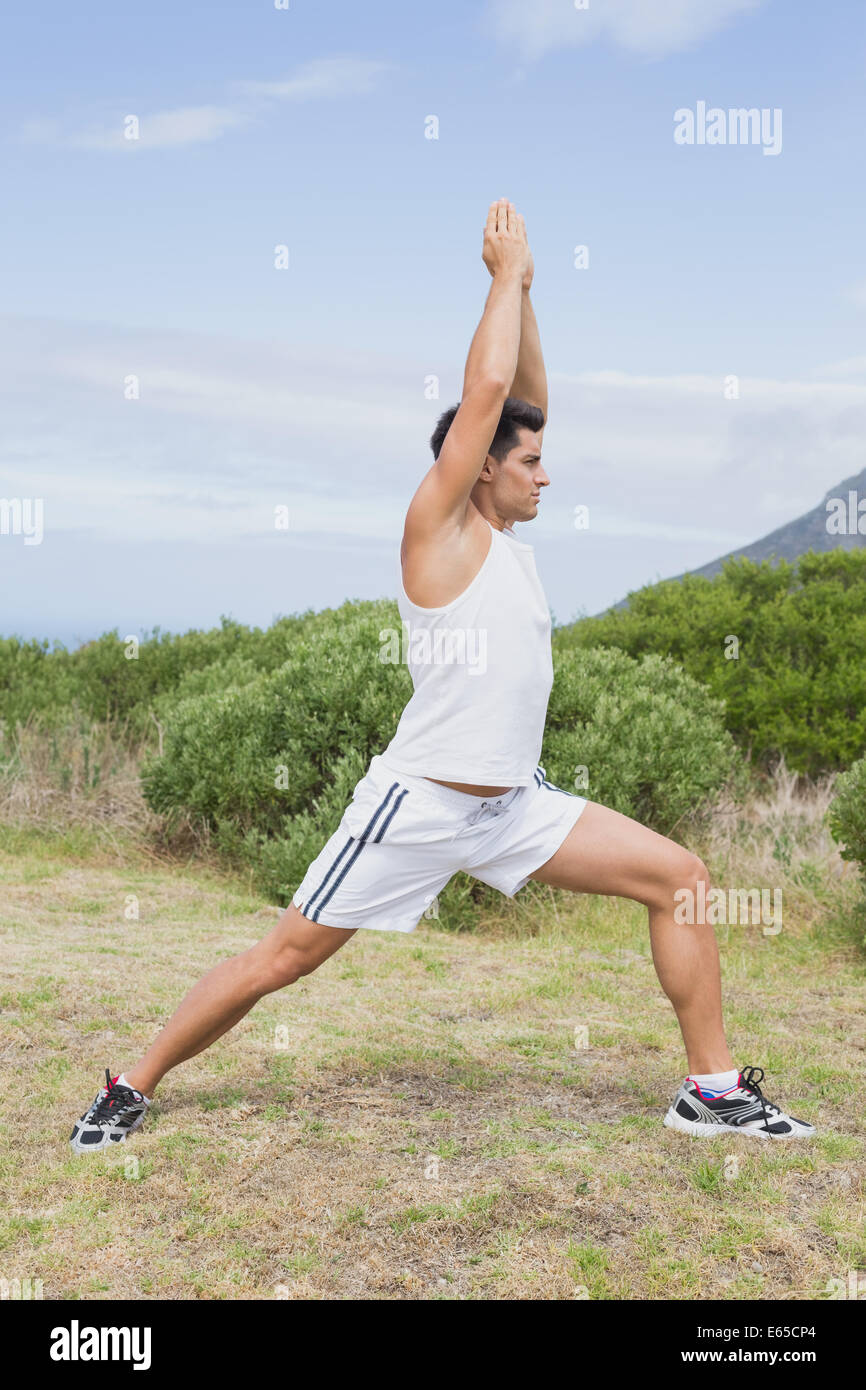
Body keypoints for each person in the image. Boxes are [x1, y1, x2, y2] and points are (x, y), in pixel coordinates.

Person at [71, 200, 814, 1152]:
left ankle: (710, 1091)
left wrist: (530, 288)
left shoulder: (502, 534)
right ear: (479, 472)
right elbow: (489, 393)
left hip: (510, 804)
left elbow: (522, 396)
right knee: (282, 957)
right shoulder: (441, 530)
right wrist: (500, 277)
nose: (547, 476)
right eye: (531, 464)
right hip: (417, 804)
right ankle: (131, 1083)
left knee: (681, 879)